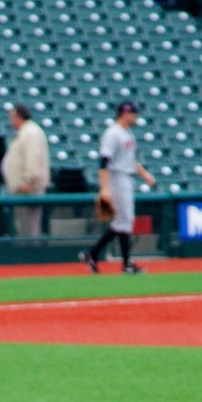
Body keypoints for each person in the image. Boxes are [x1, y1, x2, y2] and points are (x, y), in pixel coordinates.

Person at [82, 101, 156, 275]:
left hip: (126, 177)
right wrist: (104, 189)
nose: (136, 116)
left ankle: (94, 254)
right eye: (134, 113)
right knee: (125, 220)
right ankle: (126, 263)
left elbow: (130, 160)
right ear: (125, 113)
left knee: (122, 222)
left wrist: (144, 174)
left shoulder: (127, 133)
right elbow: (104, 162)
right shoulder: (113, 133)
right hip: (116, 178)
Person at [2, 103, 50, 238]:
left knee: (29, 231)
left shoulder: (31, 132)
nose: (10, 121)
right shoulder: (26, 131)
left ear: (18, 117)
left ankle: (32, 257)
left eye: (12, 117)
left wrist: (29, 181)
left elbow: (33, 157)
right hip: (23, 190)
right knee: (24, 229)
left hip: (28, 190)